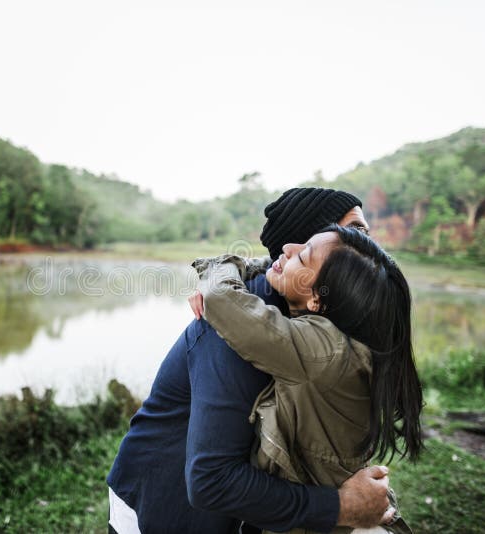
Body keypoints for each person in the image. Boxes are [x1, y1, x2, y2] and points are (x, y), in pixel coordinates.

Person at [107, 189, 395, 534]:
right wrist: (339, 506)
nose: (368, 243)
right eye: (354, 230)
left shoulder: (326, 322)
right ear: (312, 243)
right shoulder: (236, 321)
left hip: (238, 507)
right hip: (166, 503)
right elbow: (213, 479)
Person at [190, 225, 423, 533]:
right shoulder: (352, 346)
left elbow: (220, 298)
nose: (288, 247)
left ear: (316, 300)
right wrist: (271, 266)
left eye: (303, 256)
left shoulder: (321, 352)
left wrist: (224, 265)